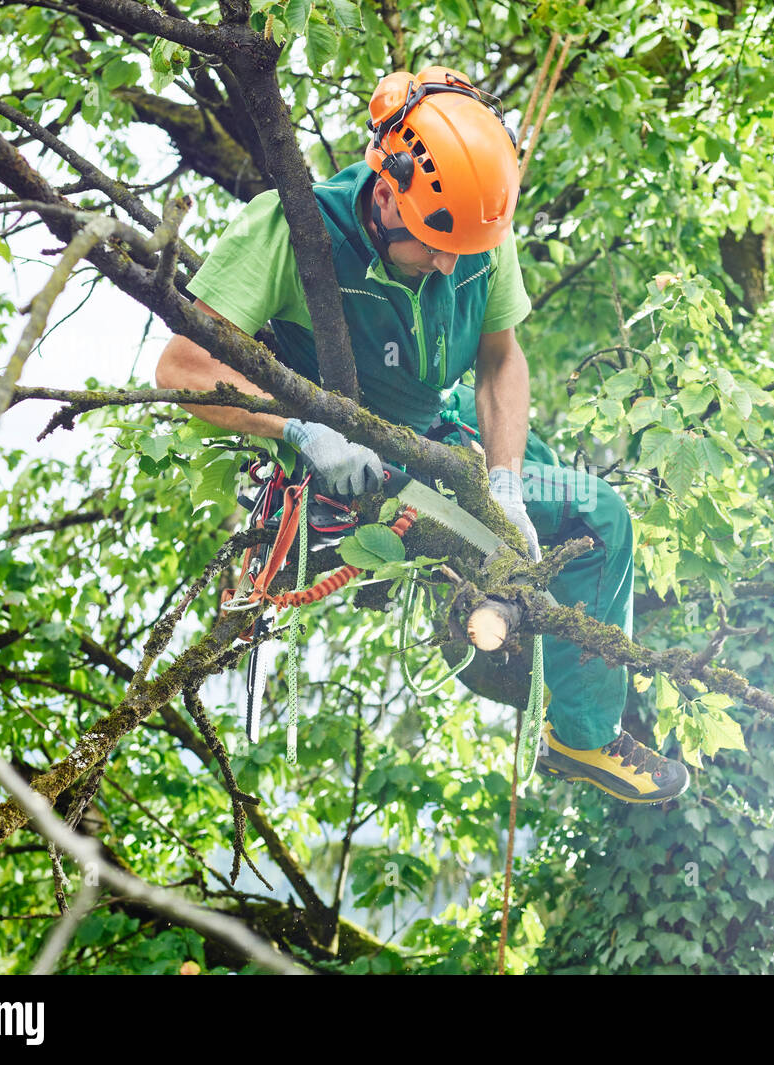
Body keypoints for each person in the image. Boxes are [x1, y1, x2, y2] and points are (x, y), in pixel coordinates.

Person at [155, 66, 688, 804]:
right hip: (356, 468)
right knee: (550, 533)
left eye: (461, 252)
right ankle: (567, 706)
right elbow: (184, 366)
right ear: (386, 189)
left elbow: (501, 359)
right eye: (433, 246)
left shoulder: (473, 229)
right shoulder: (293, 228)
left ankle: (578, 735)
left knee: (595, 511)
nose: (447, 264)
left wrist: (506, 480)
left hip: (451, 442)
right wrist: (299, 429)